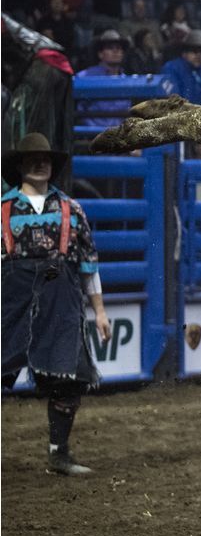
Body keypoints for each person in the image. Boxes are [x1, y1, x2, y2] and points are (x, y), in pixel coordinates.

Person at [2, 133, 112, 475]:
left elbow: (88, 263)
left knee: (71, 376)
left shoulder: (71, 209)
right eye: (33, 158)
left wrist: (100, 311)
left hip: (60, 297)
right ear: (21, 165)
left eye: (46, 159)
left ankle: (59, 453)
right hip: (11, 299)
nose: (40, 163)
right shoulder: (3, 209)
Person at [76, 29, 132, 128]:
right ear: (100, 54)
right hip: (91, 135)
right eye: (110, 48)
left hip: (120, 136)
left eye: (119, 48)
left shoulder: (128, 80)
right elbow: (80, 110)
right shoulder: (84, 77)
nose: (116, 51)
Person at [161, 30, 201, 106]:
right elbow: (173, 102)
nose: (199, 55)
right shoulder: (171, 67)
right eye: (195, 51)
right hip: (179, 114)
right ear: (184, 53)